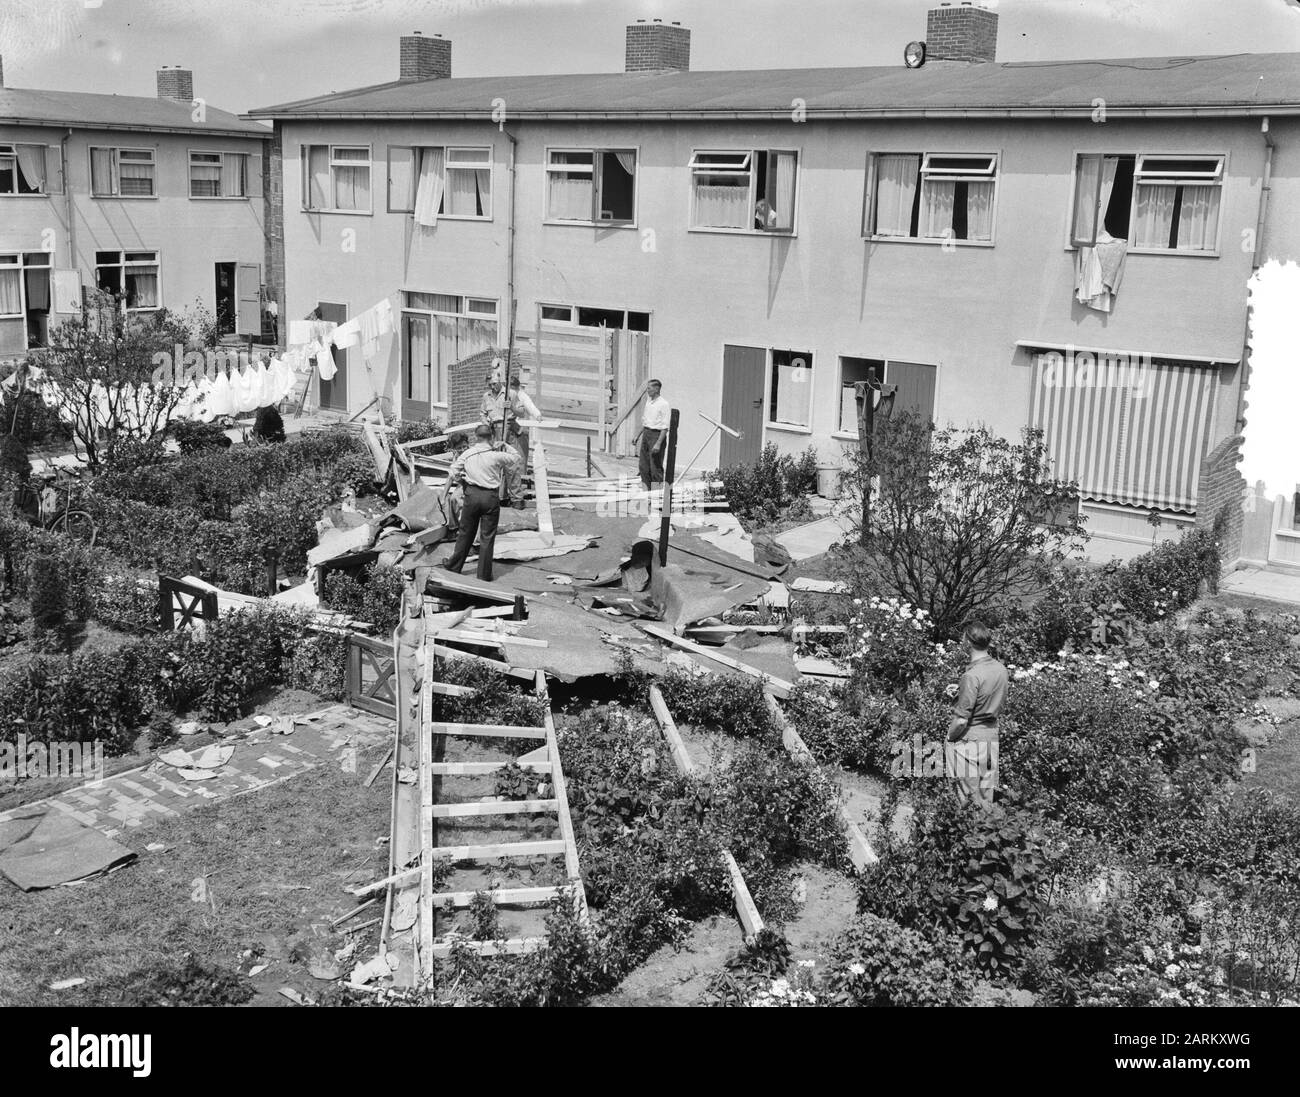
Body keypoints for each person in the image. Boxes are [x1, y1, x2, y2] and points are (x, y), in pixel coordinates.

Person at [443, 423, 523, 582]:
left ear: (476, 437)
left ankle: (454, 566)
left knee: (465, 533)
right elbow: (517, 457)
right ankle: (484, 575)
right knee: (487, 537)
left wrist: (454, 488)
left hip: (472, 496)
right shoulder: (496, 455)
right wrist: (505, 445)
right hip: (490, 498)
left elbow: (453, 472)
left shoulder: (468, 454)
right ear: (492, 437)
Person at [945, 621, 1008, 807]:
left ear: (967, 642)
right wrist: (961, 690)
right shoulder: (1001, 669)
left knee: (966, 798)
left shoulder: (971, 676)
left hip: (970, 739)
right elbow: (988, 692)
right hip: (990, 735)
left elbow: (962, 720)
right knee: (985, 795)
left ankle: (966, 833)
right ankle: (986, 833)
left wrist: (950, 737)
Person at [636, 378, 671, 491]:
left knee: (655, 468)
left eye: (649, 388)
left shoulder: (663, 404)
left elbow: (665, 427)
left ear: (656, 389)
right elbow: (645, 421)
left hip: (656, 436)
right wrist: (638, 435)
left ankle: (657, 496)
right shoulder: (648, 402)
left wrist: (658, 443)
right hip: (646, 434)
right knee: (643, 466)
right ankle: (646, 493)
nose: (647, 390)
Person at [507, 375, 541, 470]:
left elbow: (530, 406)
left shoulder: (522, 396)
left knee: (521, 455)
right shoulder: (505, 395)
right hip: (509, 430)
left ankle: (521, 476)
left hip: (521, 430)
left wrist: (537, 415)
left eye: (514, 389)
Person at [479, 371, 509, 444]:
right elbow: (483, 414)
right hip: (493, 431)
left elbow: (521, 412)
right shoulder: (486, 396)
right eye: (489, 385)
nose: (492, 387)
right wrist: (486, 423)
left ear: (500, 381)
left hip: (507, 430)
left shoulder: (509, 393)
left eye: (494, 384)